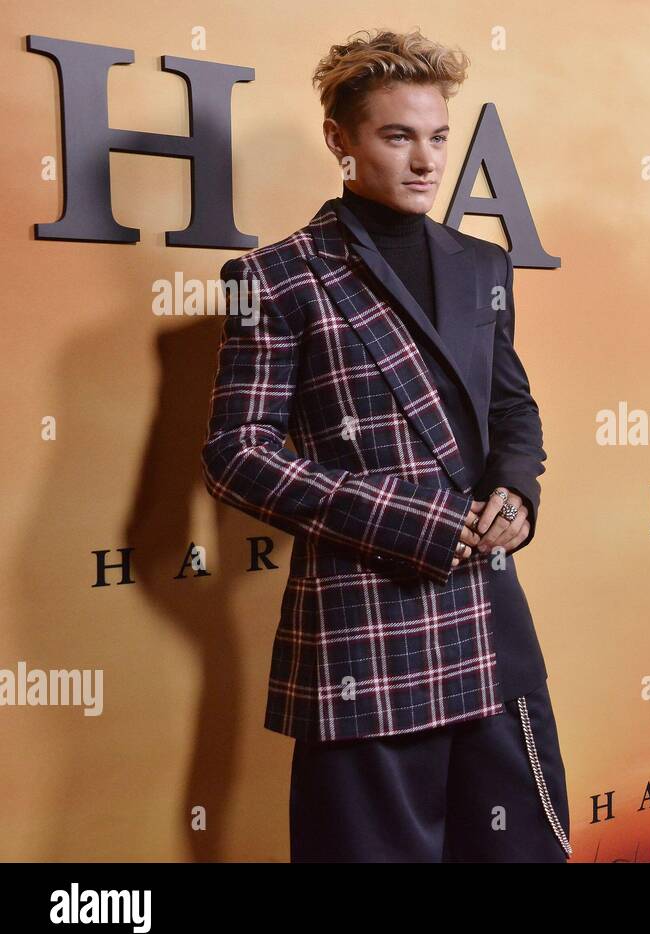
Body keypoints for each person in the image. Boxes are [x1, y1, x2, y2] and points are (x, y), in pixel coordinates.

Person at [200, 27, 570, 862]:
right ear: (341, 140)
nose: (425, 160)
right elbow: (236, 452)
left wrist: (516, 491)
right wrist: (416, 522)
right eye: (397, 136)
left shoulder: (484, 264)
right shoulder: (276, 277)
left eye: (438, 136)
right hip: (366, 634)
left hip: (490, 615)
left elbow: (513, 407)